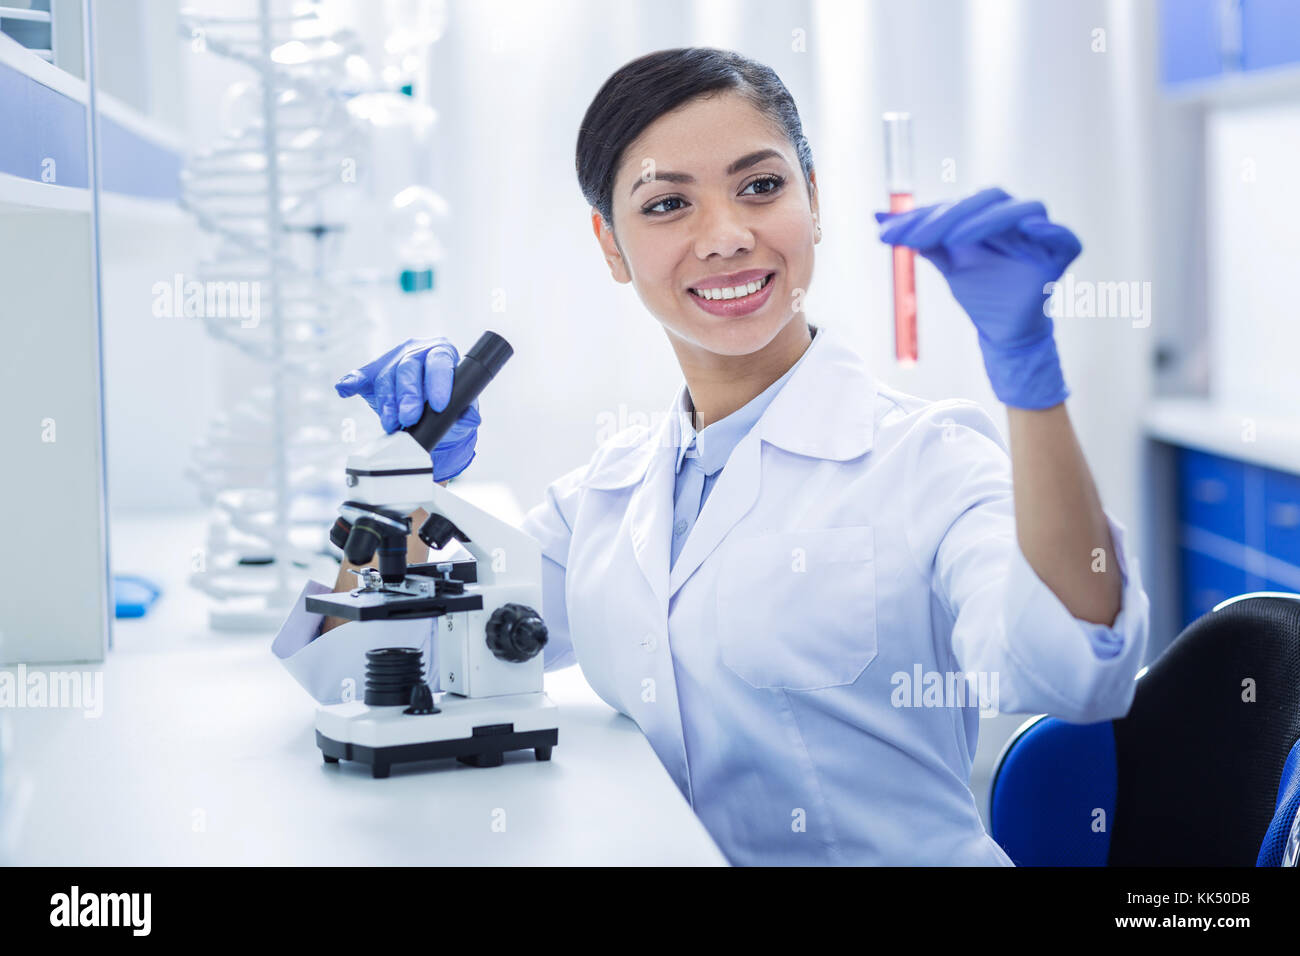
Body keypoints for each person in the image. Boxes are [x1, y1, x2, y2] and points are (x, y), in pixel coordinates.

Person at [281, 47, 1149, 866]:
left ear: (814, 197)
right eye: (667, 204)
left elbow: (1071, 675)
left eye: (761, 186)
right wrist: (398, 485)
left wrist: (1029, 378)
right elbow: (361, 671)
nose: (728, 235)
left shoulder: (928, 458)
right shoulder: (608, 496)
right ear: (611, 247)